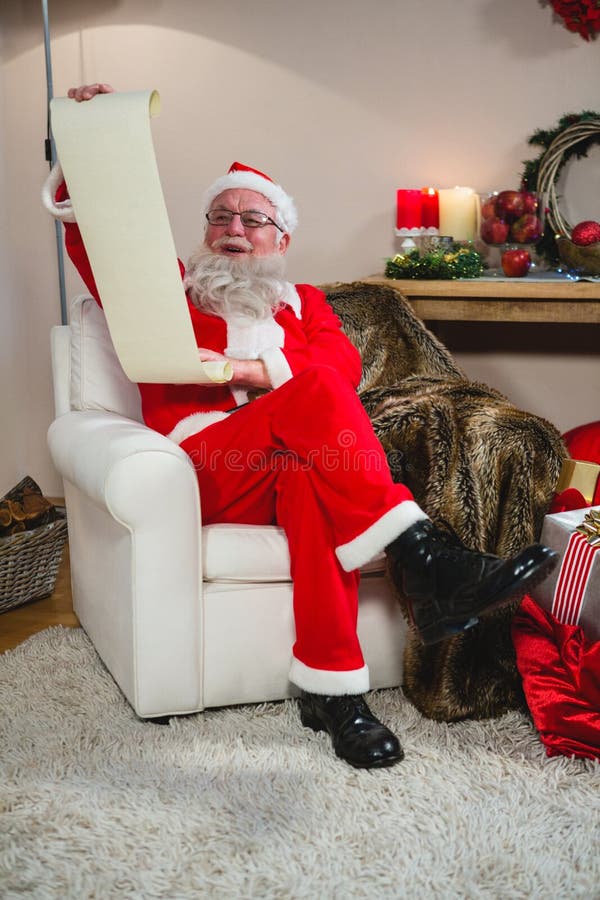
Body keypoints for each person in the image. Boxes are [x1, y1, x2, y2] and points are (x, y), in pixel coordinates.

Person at [43, 83, 557, 770]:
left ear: (281, 240)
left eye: (253, 219)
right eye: (220, 216)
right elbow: (100, 241)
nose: (233, 228)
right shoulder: (166, 290)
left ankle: (333, 695)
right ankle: (424, 556)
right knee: (309, 388)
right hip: (204, 467)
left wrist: (246, 369)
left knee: (310, 482)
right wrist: (92, 139)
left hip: (282, 463)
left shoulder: (305, 302)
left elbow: (341, 365)